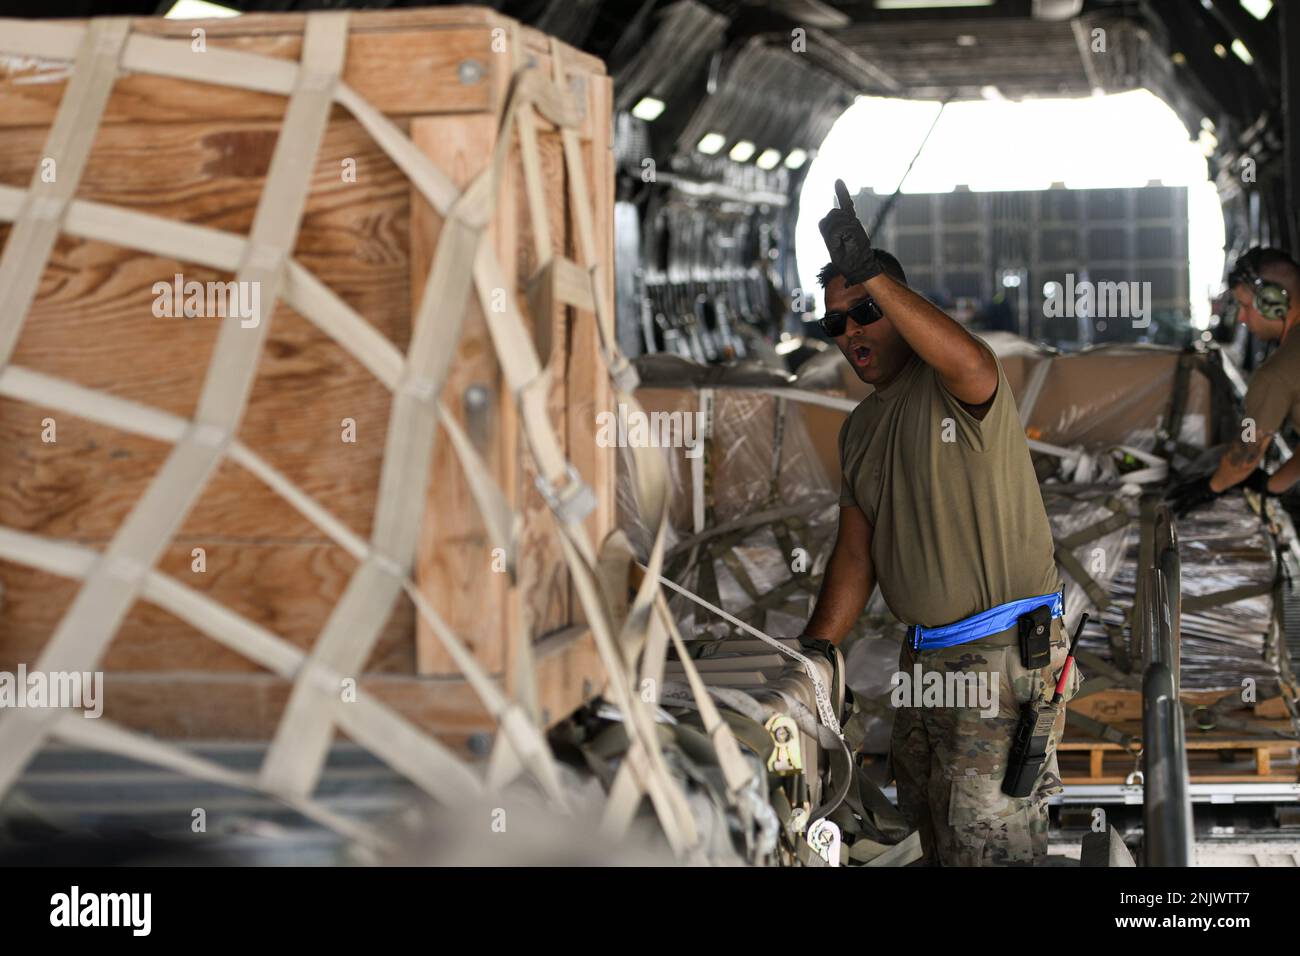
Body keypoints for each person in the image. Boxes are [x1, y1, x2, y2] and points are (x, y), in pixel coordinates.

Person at [800, 180, 1079, 865]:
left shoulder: (955, 387)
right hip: (926, 660)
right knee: (937, 833)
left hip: (1001, 661)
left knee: (991, 846)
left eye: (864, 311)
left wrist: (871, 271)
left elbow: (974, 360)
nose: (852, 333)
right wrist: (815, 655)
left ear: (899, 307)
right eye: (836, 323)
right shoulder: (862, 429)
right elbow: (856, 554)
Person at [1169, 247, 1300, 515]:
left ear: (1273, 302)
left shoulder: (1278, 372)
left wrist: (1212, 487)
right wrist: (1272, 485)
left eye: (1245, 306)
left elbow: (1248, 448)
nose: (1240, 318)